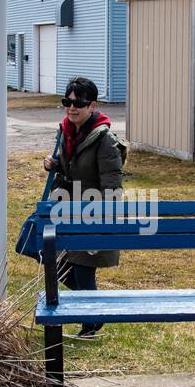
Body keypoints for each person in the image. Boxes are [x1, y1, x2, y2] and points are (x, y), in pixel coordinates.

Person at [43, 76, 123, 339]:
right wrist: (53, 164)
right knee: (52, 260)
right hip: (67, 209)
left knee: (82, 268)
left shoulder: (104, 139)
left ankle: (91, 322)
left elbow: (112, 185)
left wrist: (100, 220)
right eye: (68, 102)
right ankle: (94, 313)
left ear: (93, 106)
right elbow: (71, 168)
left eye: (79, 103)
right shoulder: (66, 131)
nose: (72, 108)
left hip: (92, 213)